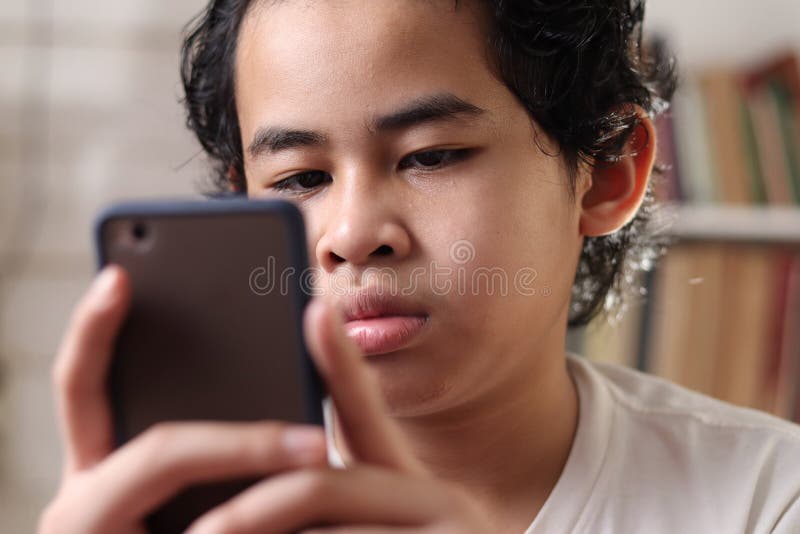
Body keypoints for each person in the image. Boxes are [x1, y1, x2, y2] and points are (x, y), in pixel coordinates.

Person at [39, 0, 800, 532]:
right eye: (301, 178)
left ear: (605, 175)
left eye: (432, 155)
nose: (352, 234)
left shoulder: (766, 501)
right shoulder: (189, 508)